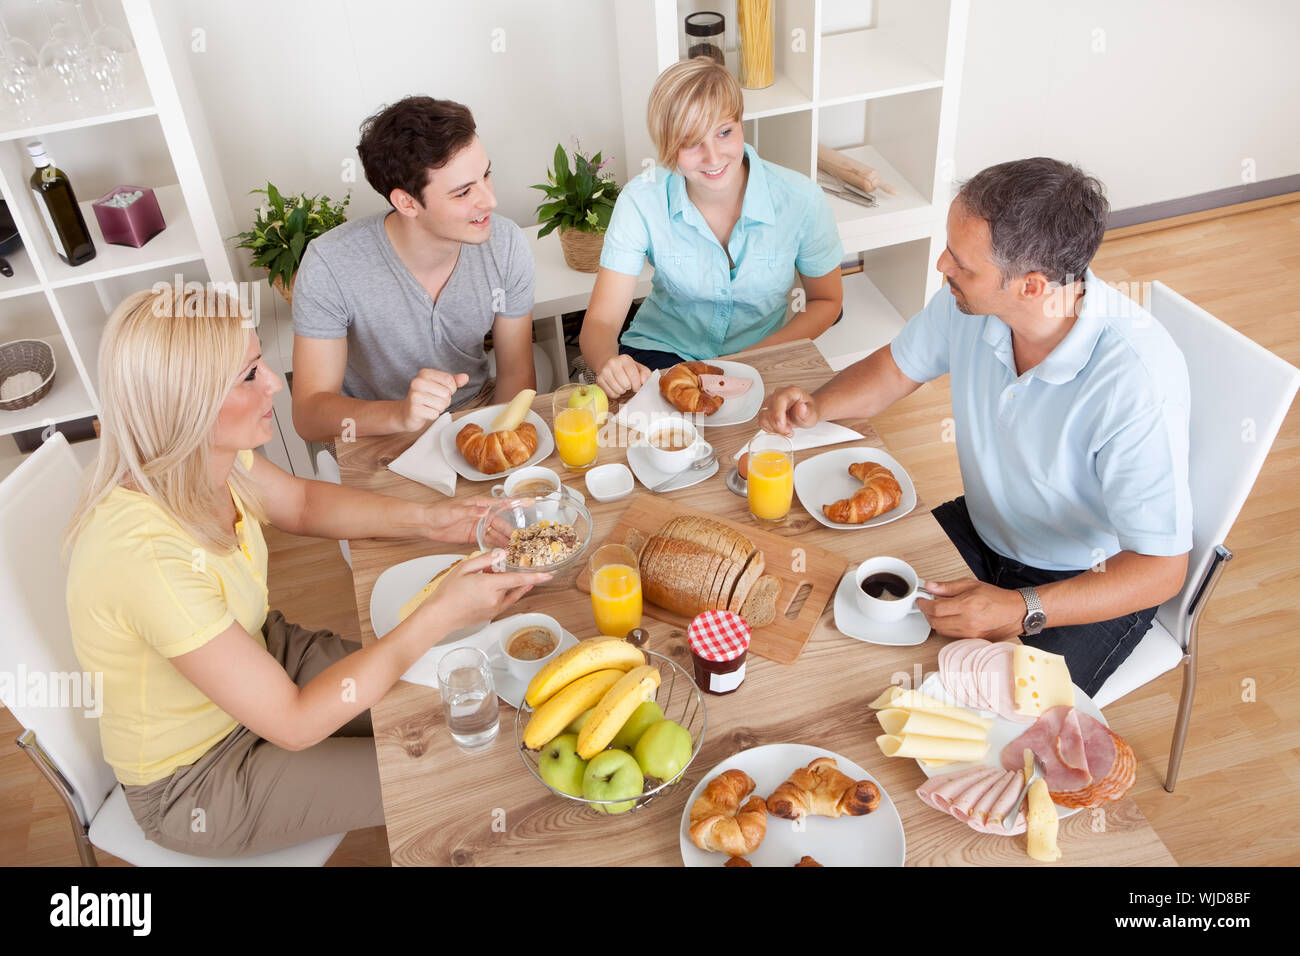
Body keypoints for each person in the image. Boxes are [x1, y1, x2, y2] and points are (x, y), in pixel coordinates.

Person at [64, 285, 549, 858]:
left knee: (457, 701)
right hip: (201, 775)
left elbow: (300, 505)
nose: (273, 382)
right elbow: (293, 723)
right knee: (443, 768)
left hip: (265, 657)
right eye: (249, 375)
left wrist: (432, 519)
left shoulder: (202, 457)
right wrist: (443, 611)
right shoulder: (145, 558)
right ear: (187, 405)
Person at [759, 158, 1193, 697]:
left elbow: (1162, 570)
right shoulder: (972, 304)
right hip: (983, 530)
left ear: (1032, 287)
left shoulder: (1136, 382)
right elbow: (897, 368)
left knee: (991, 725)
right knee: (843, 614)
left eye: (961, 263)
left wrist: (1022, 608)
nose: (942, 264)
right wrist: (817, 408)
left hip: (1084, 583)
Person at [579, 58, 844, 398]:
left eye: (724, 132)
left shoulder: (801, 200)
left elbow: (828, 299)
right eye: (691, 142)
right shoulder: (640, 200)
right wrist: (607, 362)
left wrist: (756, 359)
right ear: (667, 145)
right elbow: (600, 322)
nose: (714, 156)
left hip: (763, 354)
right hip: (662, 354)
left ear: (740, 124)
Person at [291, 95, 537, 444]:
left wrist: (493, 449)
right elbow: (309, 415)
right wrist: (400, 414)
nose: (489, 201)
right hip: (377, 434)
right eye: (463, 192)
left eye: (486, 175)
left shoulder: (507, 244)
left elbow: (516, 376)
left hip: (476, 417)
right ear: (406, 202)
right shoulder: (330, 265)